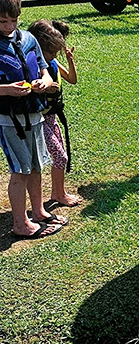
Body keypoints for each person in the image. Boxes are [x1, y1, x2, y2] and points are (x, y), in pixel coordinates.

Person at [0, 0, 68, 239]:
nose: (9, 27)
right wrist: (6, 90)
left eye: (13, 21)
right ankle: (20, 223)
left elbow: (45, 71)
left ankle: (38, 211)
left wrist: (44, 82)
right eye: (2, 22)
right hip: (9, 121)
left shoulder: (28, 39)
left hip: (35, 116)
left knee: (38, 166)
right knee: (20, 170)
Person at [27, 19, 81, 208]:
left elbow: (72, 80)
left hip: (52, 117)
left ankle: (59, 192)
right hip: (40, 120)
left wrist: (69, 60)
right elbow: (28, 88)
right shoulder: (33, 65)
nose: (53, 55)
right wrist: (43, 89)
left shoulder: (53, 62)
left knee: (61, 155)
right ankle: (58, 194)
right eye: (52, 52)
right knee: (60, 156)